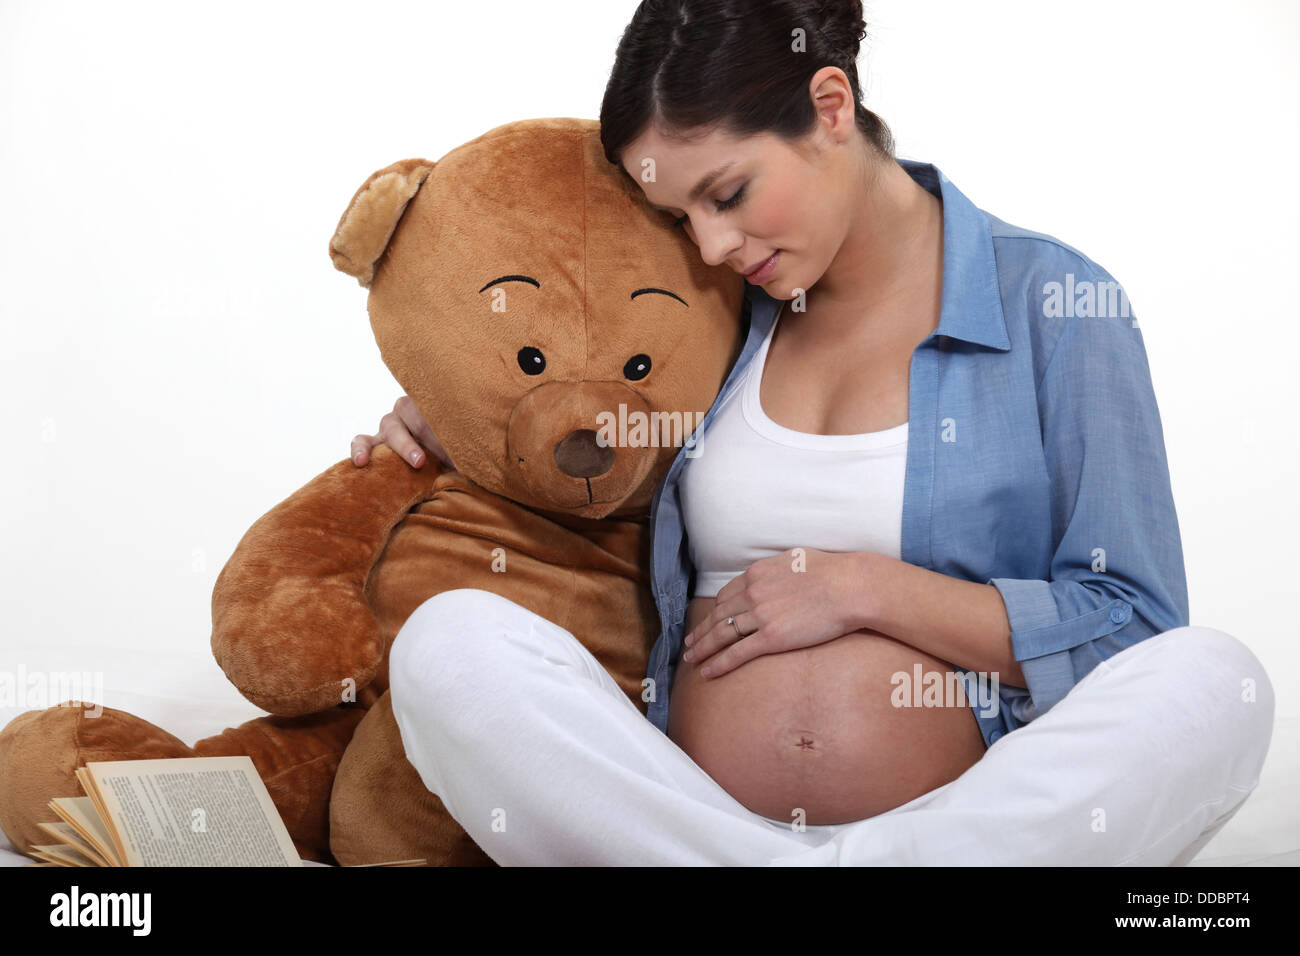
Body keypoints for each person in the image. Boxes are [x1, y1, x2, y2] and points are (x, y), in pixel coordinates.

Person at [350, 0, 1274, 865]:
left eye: (728, 194)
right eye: (679, 218)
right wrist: (473, 423)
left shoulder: (1056, 305)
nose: (710, 246)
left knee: (1212, 680)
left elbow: (1132, 629)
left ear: (830, 105)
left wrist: (869, 590)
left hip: (962, 826)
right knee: (449, 643)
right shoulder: (708, 312)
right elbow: (592, 462)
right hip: (685, 818)